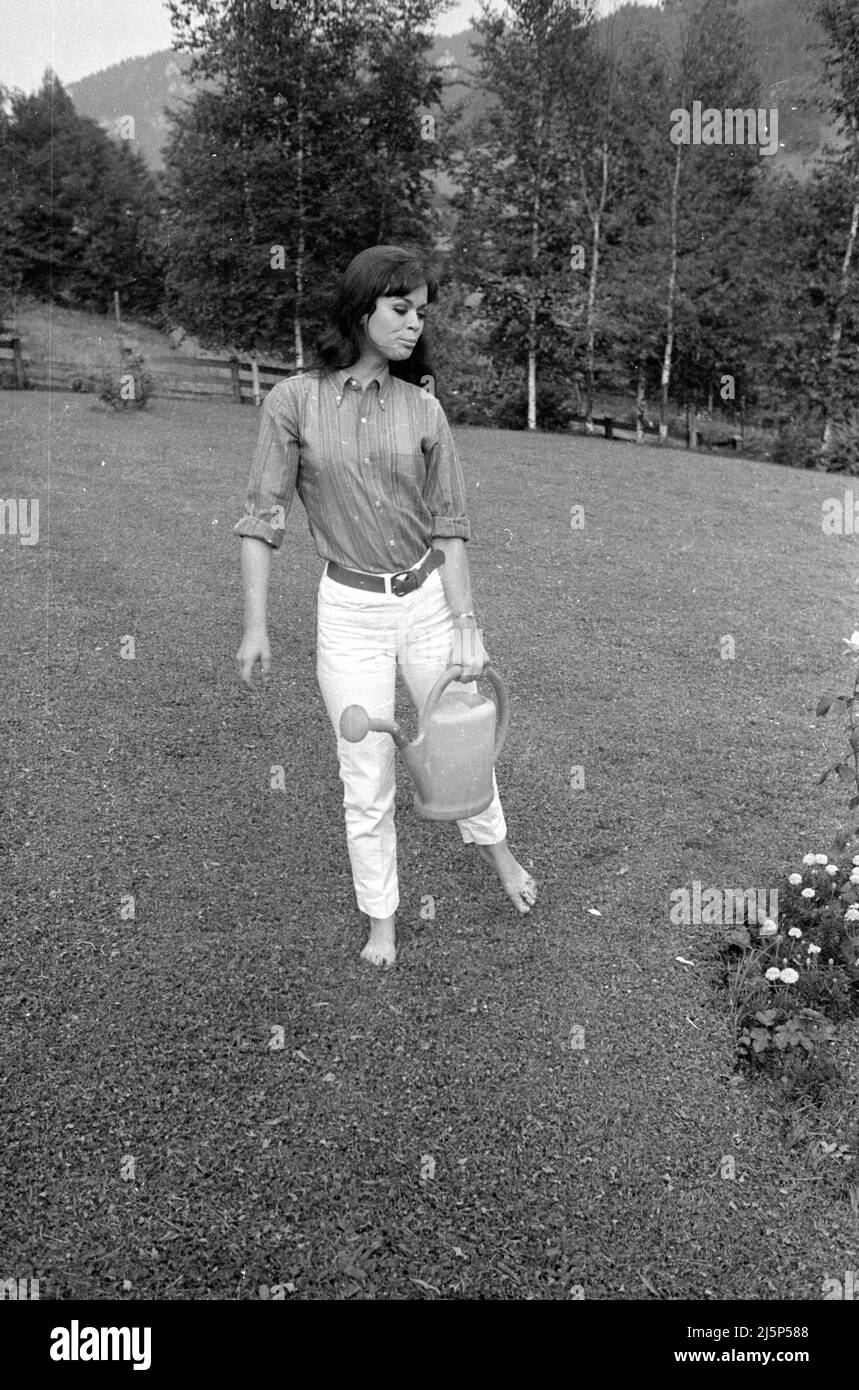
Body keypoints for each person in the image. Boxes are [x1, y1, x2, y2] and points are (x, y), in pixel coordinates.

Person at [234, 245, 537, 967]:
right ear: (360, 308)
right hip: (350, 616)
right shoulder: (293, 402)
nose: (413, 325)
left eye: (420, 314)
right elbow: (262, 519)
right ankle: (382, 920)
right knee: (365, 774)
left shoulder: (423, 407)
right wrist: (254, 626)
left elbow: (450, 528)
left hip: (427, 603)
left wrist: (467, 626)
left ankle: (502, 860)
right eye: (400, 309)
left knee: (459, 749)